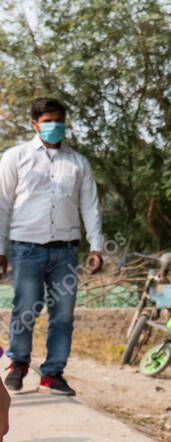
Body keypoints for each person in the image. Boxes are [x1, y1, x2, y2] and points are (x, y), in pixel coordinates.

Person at [0, 97, 104, 396]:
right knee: (25, 309)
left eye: (59, 120)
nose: (54, 126)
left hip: (66, 251)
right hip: (26, 247)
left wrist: (96, 246)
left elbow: (90, 207)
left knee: (63, 315)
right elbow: (3, 205)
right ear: (34, 124)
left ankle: (53, 373)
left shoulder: (78, 163)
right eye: (47, 122)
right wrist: (0, 248)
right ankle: (18, 365)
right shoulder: (15, 157)